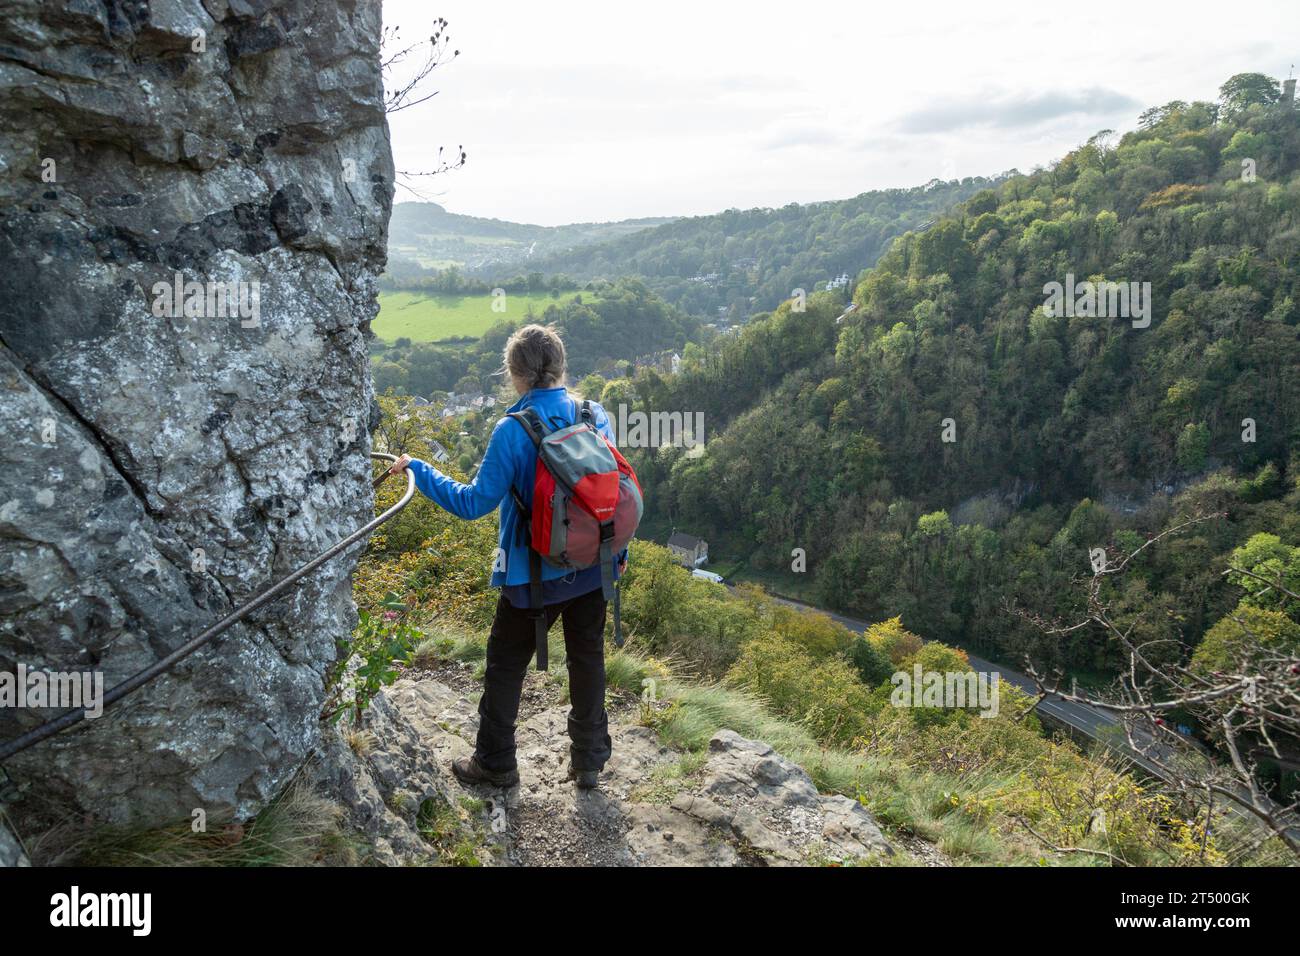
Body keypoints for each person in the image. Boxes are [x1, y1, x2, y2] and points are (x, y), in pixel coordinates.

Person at [387, 324, 625, 790]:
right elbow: (608, 493)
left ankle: (496, 763)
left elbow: (473, 503)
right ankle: (589, 760)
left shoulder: (512, 429)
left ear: (515, 375)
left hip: (530, 576)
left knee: (504, 666)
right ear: (561, 365)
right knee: (588, 659)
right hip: (593, 568)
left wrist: (419, 468)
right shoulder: (594, 413)